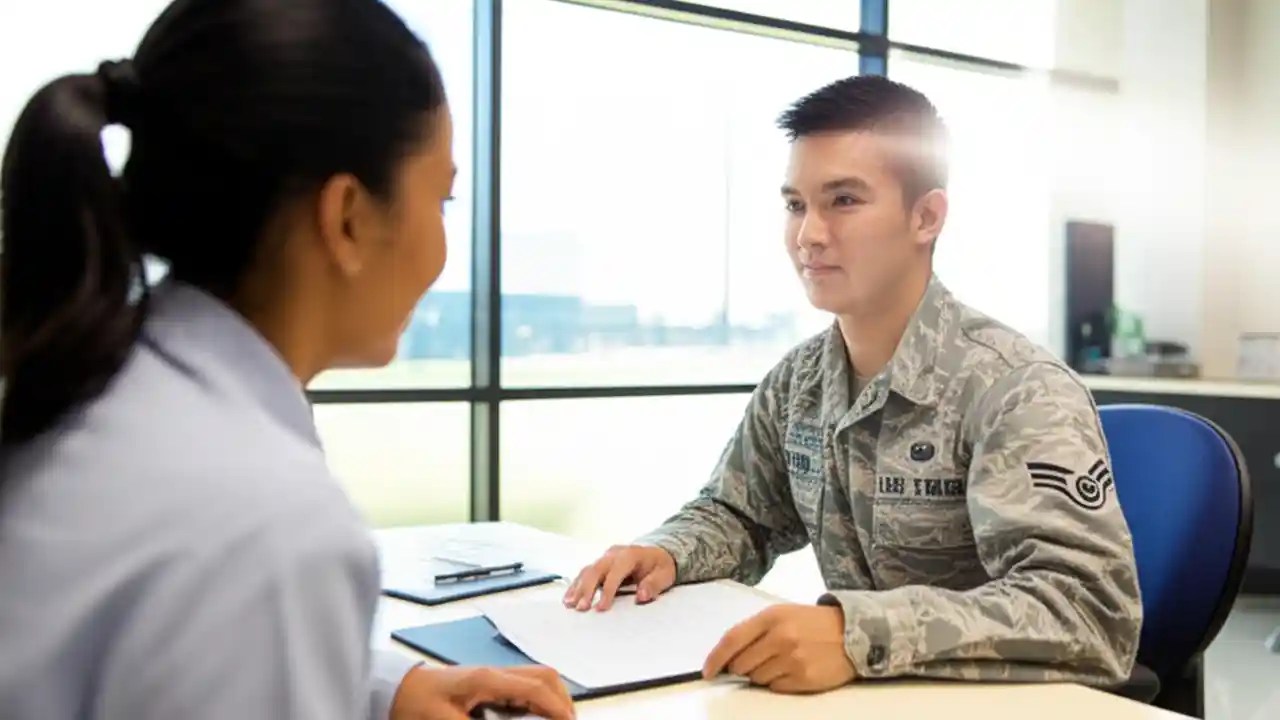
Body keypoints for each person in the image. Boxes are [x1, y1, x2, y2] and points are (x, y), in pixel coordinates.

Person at [0, 1, 574, 719]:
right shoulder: (268, 526)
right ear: (348, 219)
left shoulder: (86, 386)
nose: (442, 247)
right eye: (443, 198)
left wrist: (384, 689)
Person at [563, 75, 1143, 693]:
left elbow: (1088, 613)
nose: (808, 234)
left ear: (926, 216)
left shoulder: (1016, 390)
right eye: (795, 204)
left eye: (842, 201)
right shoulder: (799, 382)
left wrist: (855, 634)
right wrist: (668, 553)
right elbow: (742, 515)